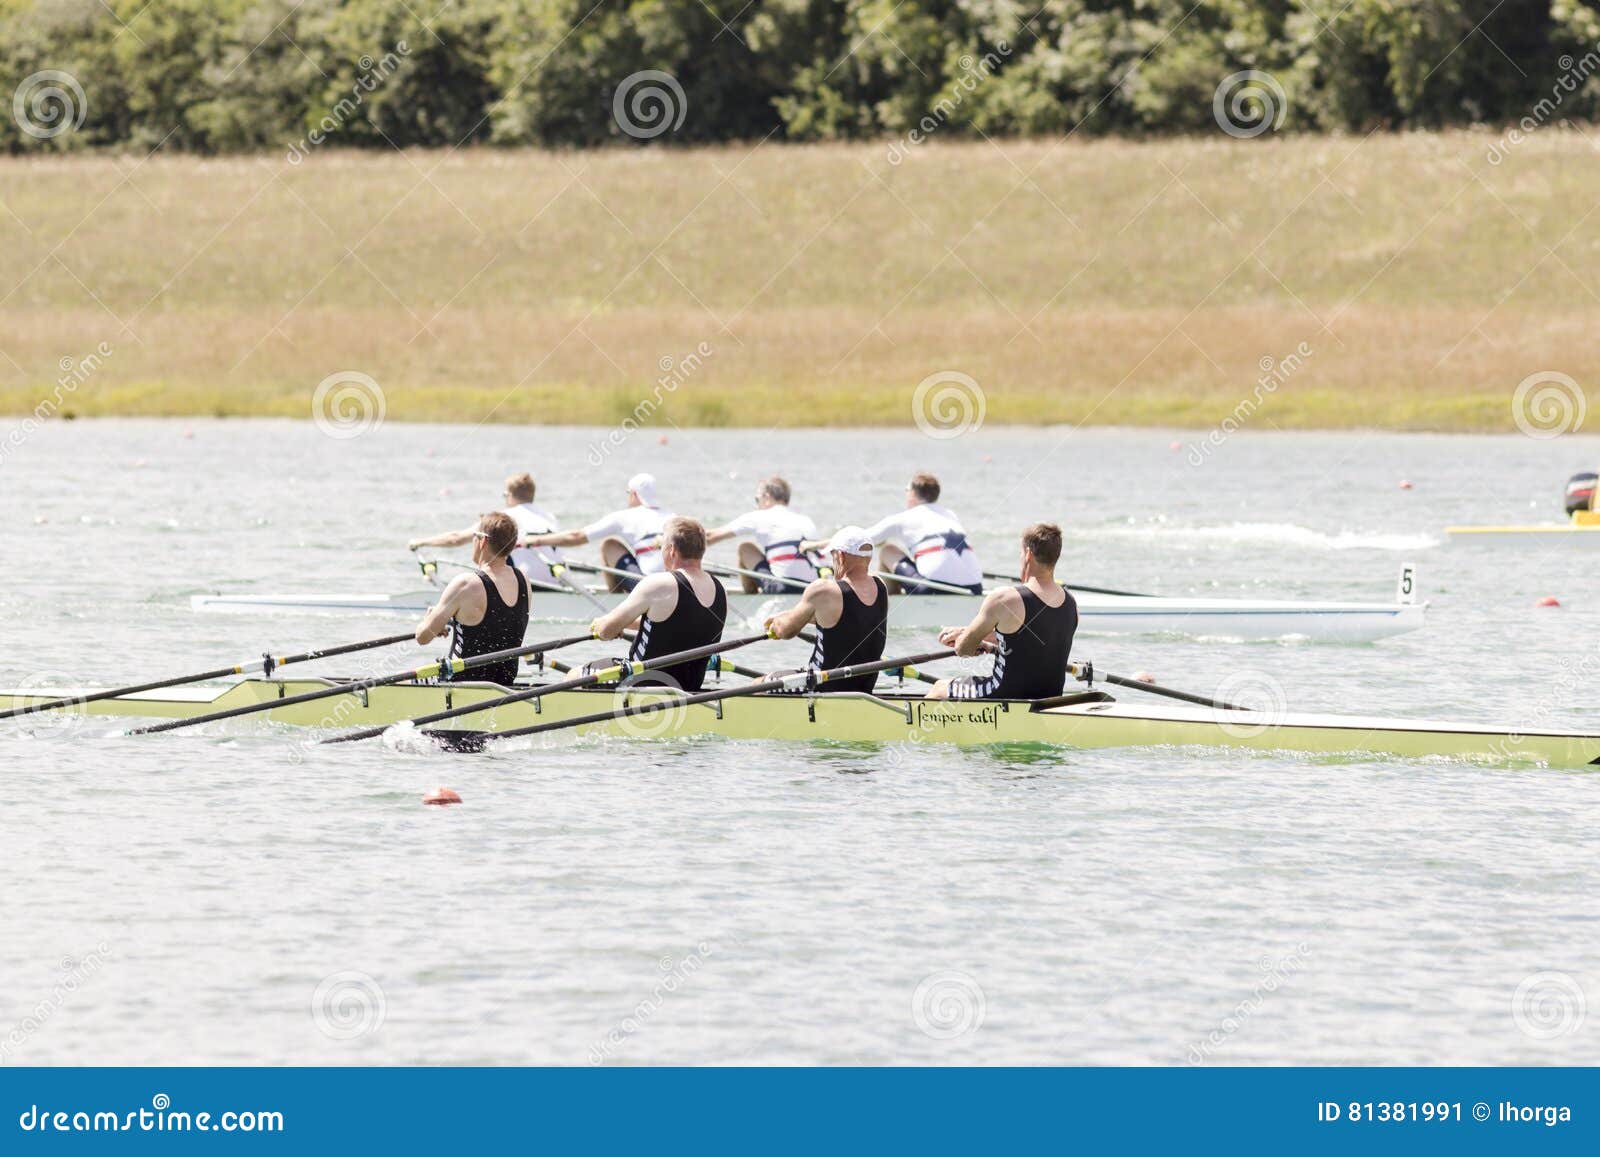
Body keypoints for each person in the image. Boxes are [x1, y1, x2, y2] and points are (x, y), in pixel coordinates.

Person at [926, 523, 1076, 701]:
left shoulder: (1004, 598)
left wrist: (966, 636)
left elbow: (963, 649)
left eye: (1021, 553)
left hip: (1003, 694)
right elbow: (1031, 645)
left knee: (939, 688)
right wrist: (988, 644)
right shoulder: (1071, 603)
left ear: (1028, 554)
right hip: (1050, 697)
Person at [591, 516, 726, 693]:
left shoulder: (658, 584)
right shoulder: (719, 588)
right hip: (689, 688)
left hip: (640, 685)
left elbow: (606, 631)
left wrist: (600, 624)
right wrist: (626, 624)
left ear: (671, 550)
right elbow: (677, 627)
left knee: (575, 675)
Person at [765, 526, 888, 693]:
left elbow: (786, 631)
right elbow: (848, 622)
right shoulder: (880, 587)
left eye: (832, 556)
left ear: (840, 556)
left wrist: (776, 624)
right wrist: (788, 614)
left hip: (819, 687)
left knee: (758, 685)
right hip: (863, 690)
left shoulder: (823, 589)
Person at [414, 511, 531, 687]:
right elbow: (497, 625)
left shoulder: (465, 584)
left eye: (474, 536)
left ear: (482, 541)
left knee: (405, 679)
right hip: (504, 684)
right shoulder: (524, 580)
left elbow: (422, 638)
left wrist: (430, 621)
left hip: (460, 683)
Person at [406, 472, 565, 587]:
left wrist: (420, 542)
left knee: (490, 550)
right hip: (559, 583)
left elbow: (457, 538)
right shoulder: (550, 517)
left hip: (527, 586)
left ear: (509, 495)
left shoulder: (506, 518)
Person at [524, 473, 671, 591]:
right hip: (674, 584)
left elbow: (577, 536)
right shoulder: (674, 517)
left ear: (634, 495)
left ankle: (617, 601)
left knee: (609, 545)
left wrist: (535, 541)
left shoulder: (625, 516)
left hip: (646, 587)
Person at [859, 472, 983, 595]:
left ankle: (887, 606)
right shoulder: (951, 515)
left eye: (906, 490)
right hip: (975, 588)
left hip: (931, 589)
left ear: (912, 493)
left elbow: (859, 540)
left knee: (888, 550)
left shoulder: (903, 518)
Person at [706, 476, 821, 594]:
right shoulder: (805, 520)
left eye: (757, 500)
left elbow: (710, 537)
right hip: (812, 589)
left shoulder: (759, 515)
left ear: (766, 497)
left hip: (782, 589)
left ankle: (752, 597)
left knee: (745, 548)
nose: (757, 505)